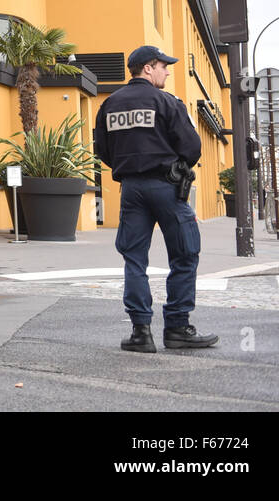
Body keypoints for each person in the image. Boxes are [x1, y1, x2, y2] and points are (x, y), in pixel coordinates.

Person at [93, 45, 218, 353]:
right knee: (185, 255)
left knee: (134, 259)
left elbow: (103, 150)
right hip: (167, 187)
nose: (167, 70)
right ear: (147, 68)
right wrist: (176, 163)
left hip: (131, 190)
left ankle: (140, 332)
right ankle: (177, 328)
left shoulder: (110, 104)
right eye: (163, 66)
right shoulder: (167, 102)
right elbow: (191, 146)